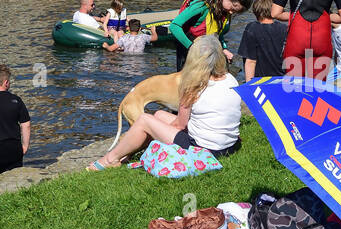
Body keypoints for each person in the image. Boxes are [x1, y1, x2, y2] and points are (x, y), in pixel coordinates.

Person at [88, 35, 242, 169]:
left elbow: (180, 125)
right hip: (229, 145)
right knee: (159, 114)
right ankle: (128, 151)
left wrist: (154, 131)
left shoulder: (193, 86)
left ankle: (110, 159)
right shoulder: (231, 79)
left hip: (203, 150)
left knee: (144, 120)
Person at [169, 0, 254, 72]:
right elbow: (174, 26)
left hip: (206, 52)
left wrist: (224, 49)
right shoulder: (201, 5)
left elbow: (218, 32)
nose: (231, 12)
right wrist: (192, 48)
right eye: (233, 7)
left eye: (236, 11)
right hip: (188, 48)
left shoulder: (224, 9)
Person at [237, 0, 288, 80]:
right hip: (281, 80)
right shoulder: (284, 29)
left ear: (255, 11)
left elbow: (250, 61)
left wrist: (250, 86)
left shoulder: (252, 29)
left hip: (260, 81)